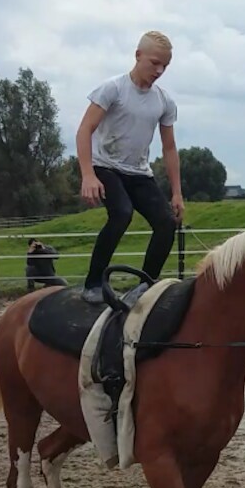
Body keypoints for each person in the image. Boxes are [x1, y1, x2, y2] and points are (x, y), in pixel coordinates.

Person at [75, 30, 184, 303]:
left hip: (138, 172)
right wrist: (88, 175)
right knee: (121, 213)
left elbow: (169, 148)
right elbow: (84, 130)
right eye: (154, 63)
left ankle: (144, 286)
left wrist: (177, 192)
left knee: (166, 223)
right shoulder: (113, 89)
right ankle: (93, 283)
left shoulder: (164, 101)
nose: (159, 70)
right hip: (106, 167)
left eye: (165, 66)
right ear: (138, 56)